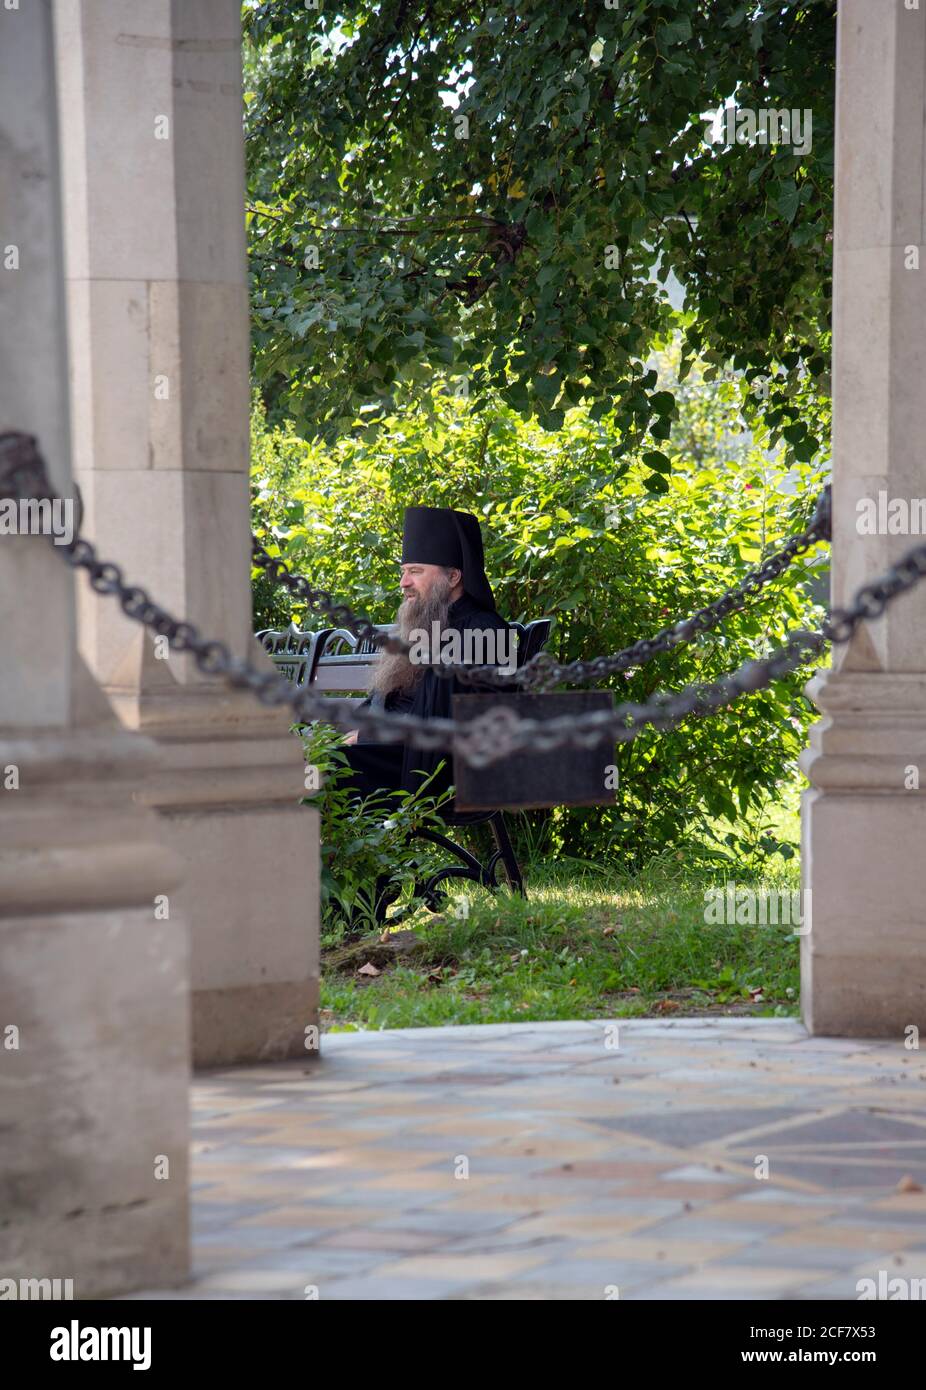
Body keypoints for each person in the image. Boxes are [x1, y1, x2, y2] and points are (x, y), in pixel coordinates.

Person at [338, 504, 511, 809]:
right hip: (391, 756)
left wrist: (366, 736)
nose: (404, 582)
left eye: (415, 571)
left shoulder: (485, 631)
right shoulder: (424, 627)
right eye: (404, 572)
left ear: (454, 576)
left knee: (314, 772)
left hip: (429, 772)